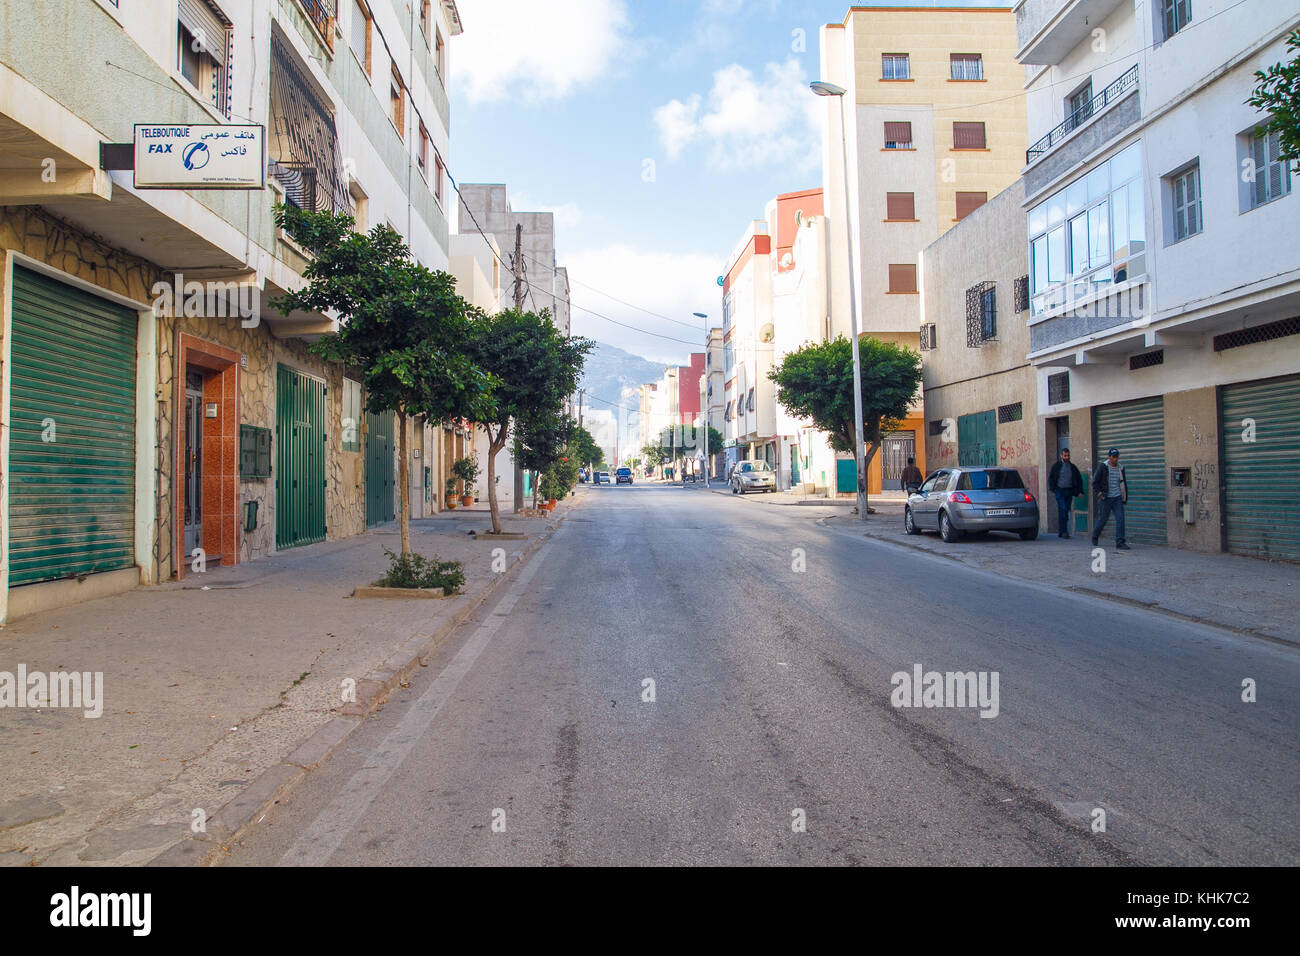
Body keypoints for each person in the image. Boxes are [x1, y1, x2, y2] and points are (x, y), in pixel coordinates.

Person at [1091, 447, 1130, 550]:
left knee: (1120, 519)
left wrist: (1124, 496)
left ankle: (1120, 542)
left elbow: (1123, 483)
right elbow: (1094, 482)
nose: (1115, 459)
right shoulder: (1103, 467)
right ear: (1109, 457)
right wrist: (1100, 494)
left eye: (1117, 457)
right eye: (1113, 457)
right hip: (1106, 498)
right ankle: (1095, 535)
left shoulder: (1121, 468)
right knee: (1103, 519)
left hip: (1117, 497)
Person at [1047, 448, 1082, 538]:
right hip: (1059, 490)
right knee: (1063, 510)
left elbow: (1078, 479)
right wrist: (1053, 489)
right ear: (1061, 456)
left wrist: (1079, 491)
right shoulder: (1056, 466)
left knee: (1066, 510)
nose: (1067, 457)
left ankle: (1061, 531)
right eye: (1065, 455)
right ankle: (1064, 531)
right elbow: (1051, 478)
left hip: (1069, 491)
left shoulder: (1072, 467)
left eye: (1068, 455)